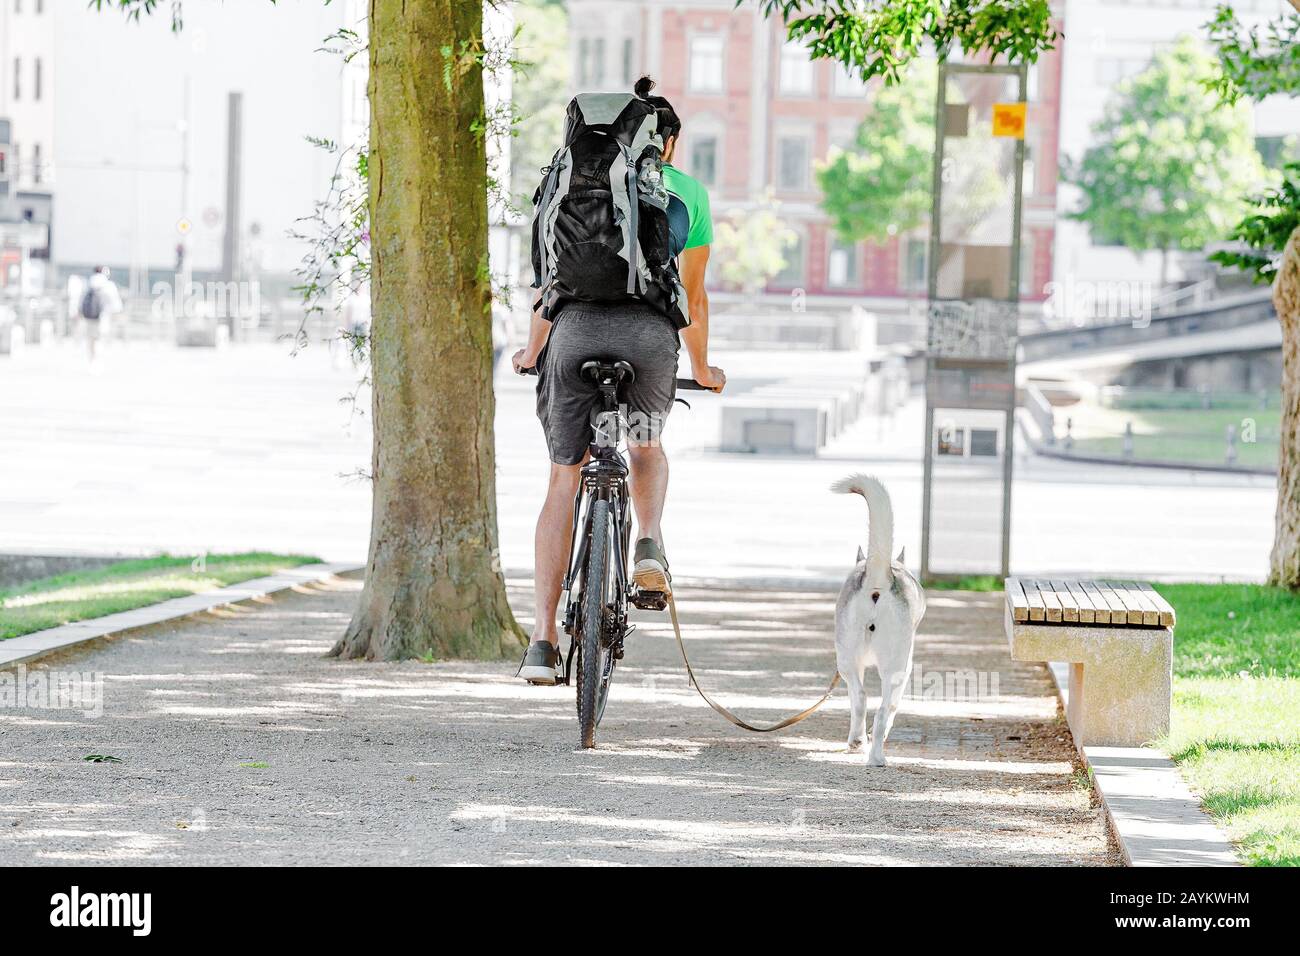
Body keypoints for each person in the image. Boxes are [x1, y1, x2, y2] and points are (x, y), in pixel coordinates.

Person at [513, 76, 726, 685]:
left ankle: (543, 640)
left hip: (575, 331)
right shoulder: (686, 194)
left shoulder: (567, 178)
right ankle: (650, 544)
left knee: (563, 479)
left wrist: (532, 354)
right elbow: (695, 294)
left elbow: (545, 284)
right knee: (645, 446)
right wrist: (704, 369)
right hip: (648, 340)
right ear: (668, 142)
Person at [80, 265, 123, 362]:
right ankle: (97, 359)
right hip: (103, 316)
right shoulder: (108, 285)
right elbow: (115, 302)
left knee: (91, 338)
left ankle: (91, 358)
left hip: (89, 316)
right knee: (100, 338)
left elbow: (82, 300)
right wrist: (117, 313)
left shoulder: (88, 283)